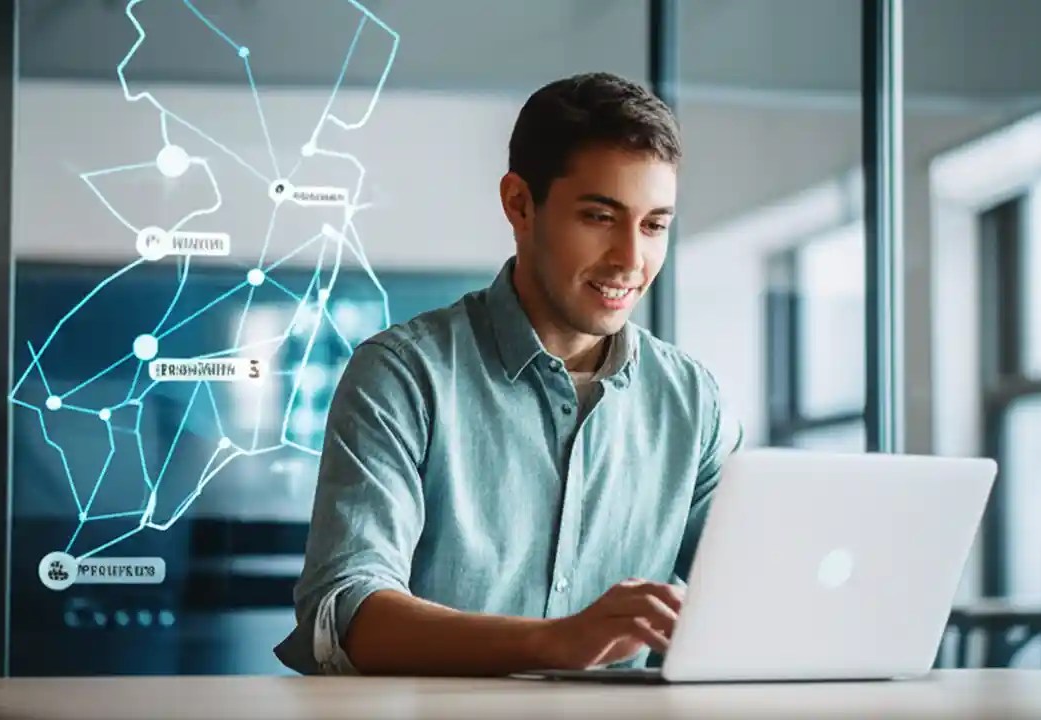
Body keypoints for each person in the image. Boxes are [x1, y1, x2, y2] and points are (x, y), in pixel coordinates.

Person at [274, 71, 743, 676]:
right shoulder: (403, 375)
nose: (632, 259)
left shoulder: (693, 402)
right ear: (520, 203)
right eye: (600, 217)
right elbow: (346, 613)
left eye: (654, 225)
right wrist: (556, 642)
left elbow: (753, 595)